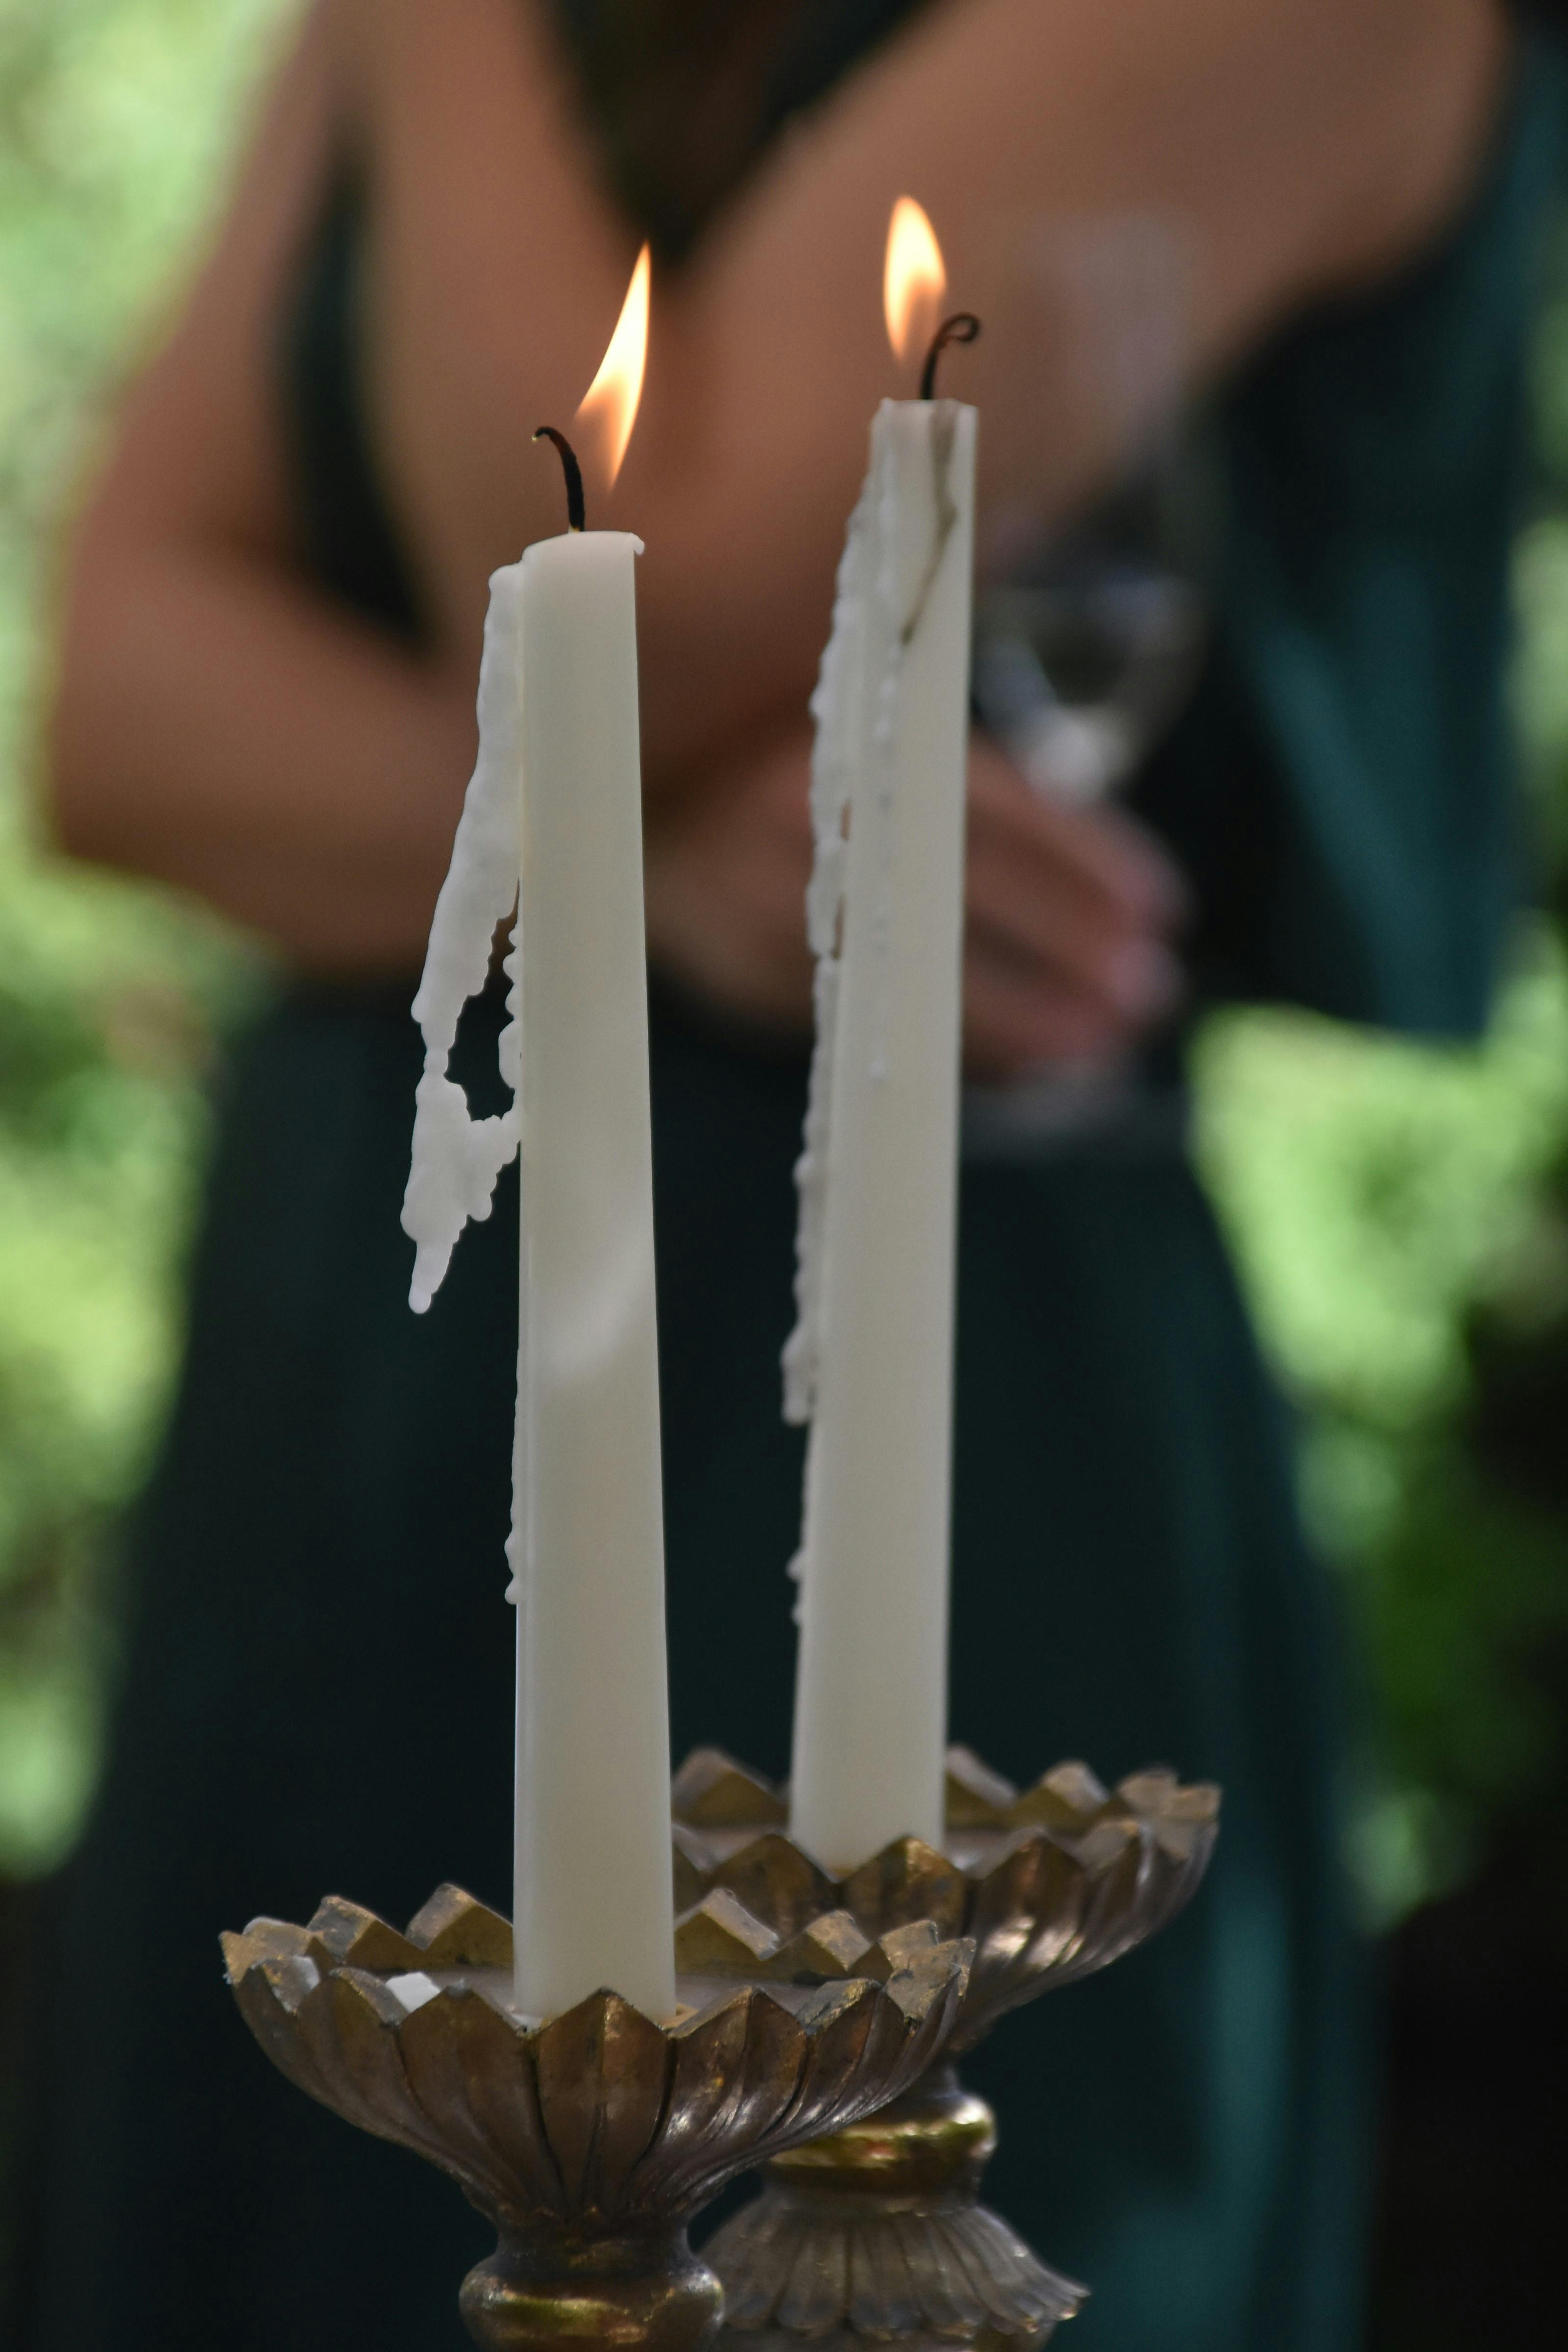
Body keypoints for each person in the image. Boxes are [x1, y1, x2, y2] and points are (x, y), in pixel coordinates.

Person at [21, 3, 1560, 2347]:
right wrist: (641, 877)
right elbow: (118, 714)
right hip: (356, 1408)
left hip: (898, 1419)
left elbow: (628, 559)